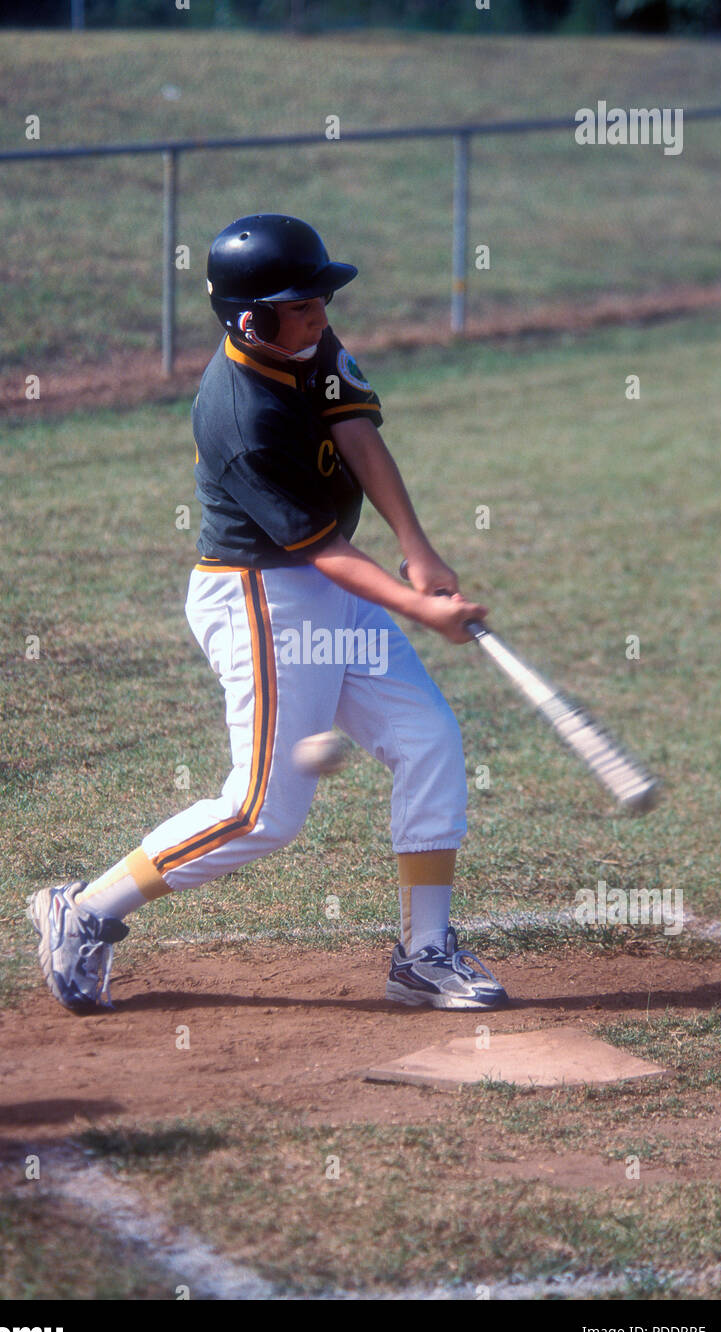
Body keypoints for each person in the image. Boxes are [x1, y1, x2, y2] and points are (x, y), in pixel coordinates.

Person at [26, 213, 508, 1015]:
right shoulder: (240, 420)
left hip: (332, 588)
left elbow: (357, 437)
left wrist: (416, 548)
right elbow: (317, 552)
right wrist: (418, 609)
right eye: (303, 306)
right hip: (264, 596)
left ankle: (424, 955)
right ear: (250, 320)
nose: (321, 317)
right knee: (261, 812)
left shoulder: (305, 342)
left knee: (428, 741)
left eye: (321, 300)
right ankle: (83, 910)